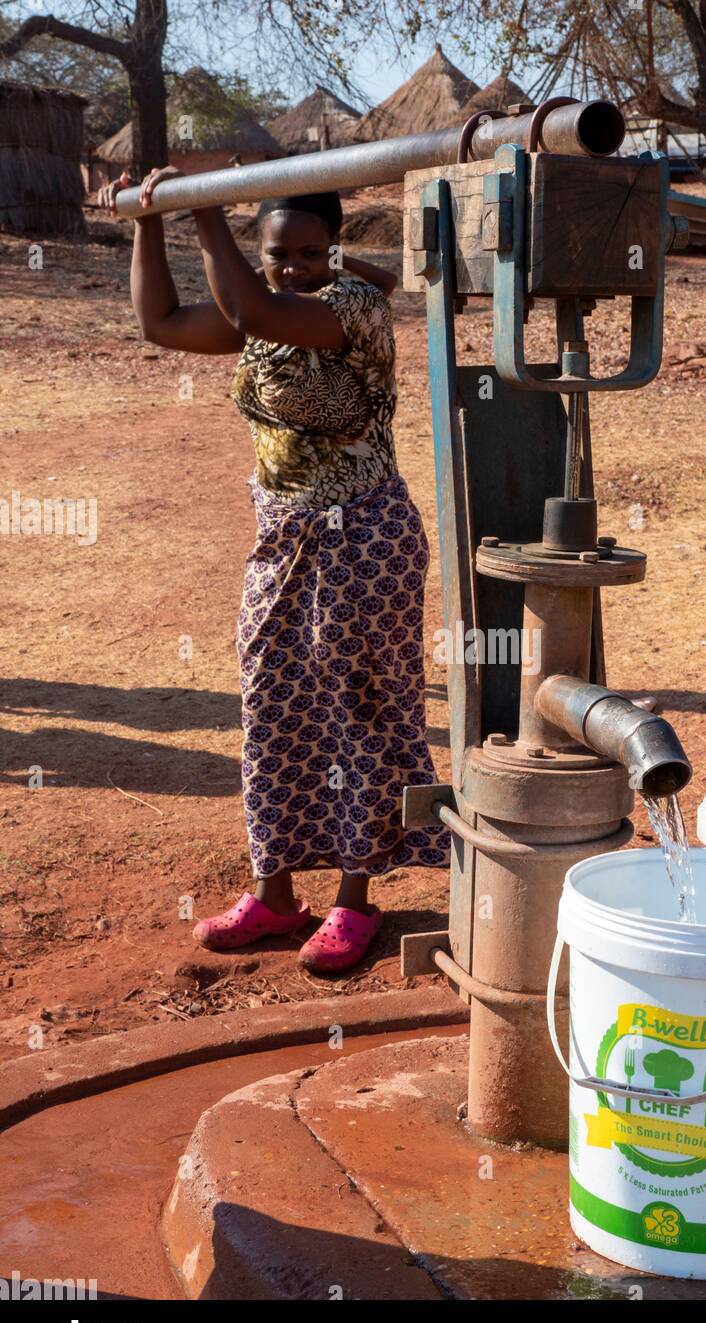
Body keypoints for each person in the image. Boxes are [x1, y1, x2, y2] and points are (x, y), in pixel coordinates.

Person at [99, 167, 450, 972]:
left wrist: (205, 210)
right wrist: (149, 222)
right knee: (270, 703)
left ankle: (356, 900)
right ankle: (275, 894)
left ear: (332, 251)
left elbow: (253, 307)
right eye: (276, 253)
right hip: (282, 534)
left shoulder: (349, 307)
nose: (291, 266)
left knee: (359, 708)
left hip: (363, 534)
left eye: (306, 252)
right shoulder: (255, 311)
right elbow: (158, 322)